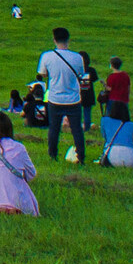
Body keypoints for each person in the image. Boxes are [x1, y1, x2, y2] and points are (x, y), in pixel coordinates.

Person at [38, 26, 88, 165]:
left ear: (54, 40)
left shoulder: (47, 56)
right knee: (77, 129)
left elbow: (43, 74)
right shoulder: (77, 57)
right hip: (73, 99)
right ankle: (81, 156)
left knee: (54, 128)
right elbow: (81, 73)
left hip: (55, 98)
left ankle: (53, 155)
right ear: (68, 40)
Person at [102, 55, 132, 122]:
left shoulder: (111, 76)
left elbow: (109, 89)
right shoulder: (125, 75)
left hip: (113, 99)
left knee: (110, 118)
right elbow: (128, 87)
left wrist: (104, 84)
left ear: (112, 65)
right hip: (124, 99)